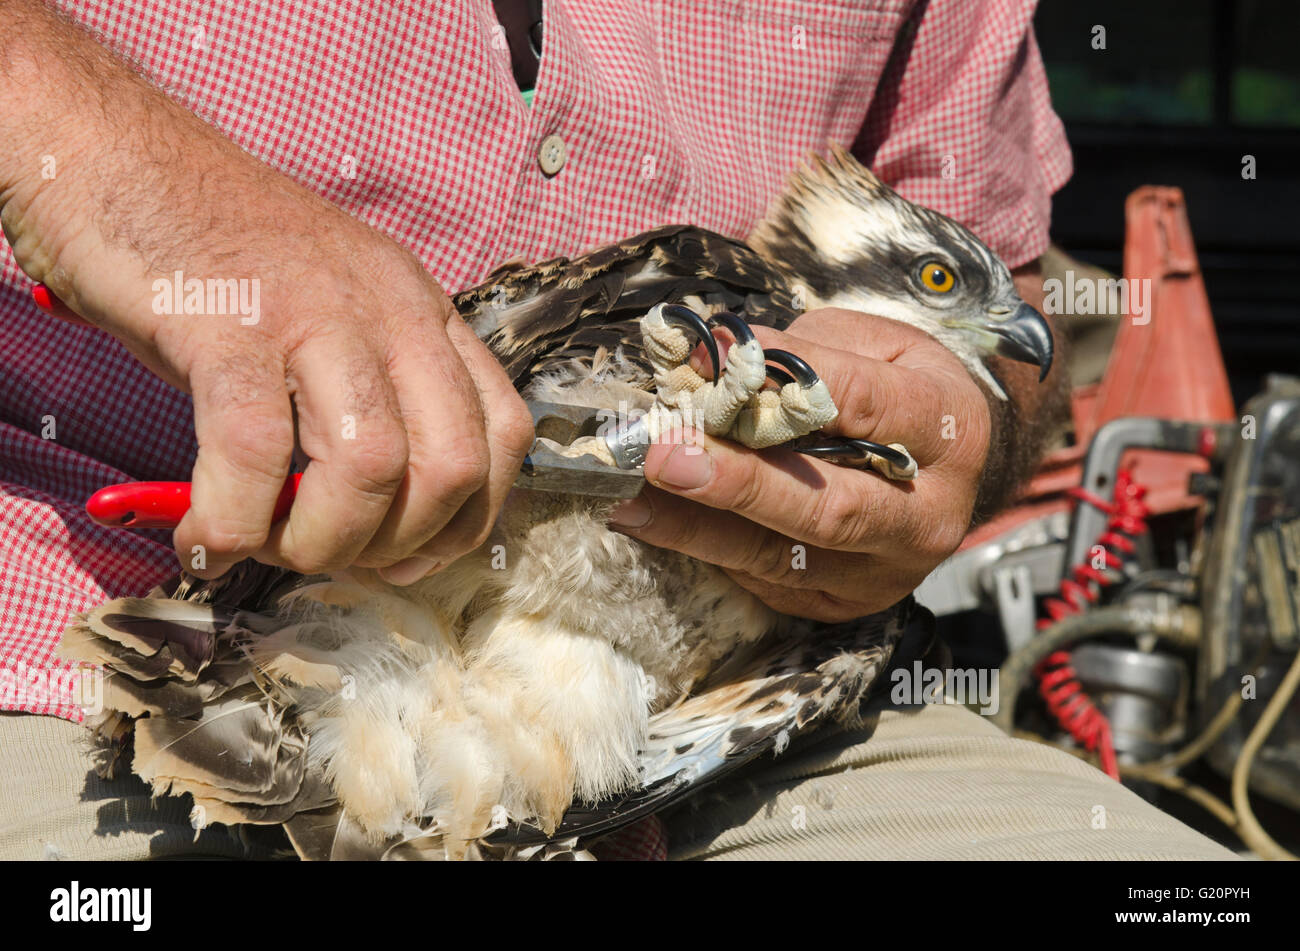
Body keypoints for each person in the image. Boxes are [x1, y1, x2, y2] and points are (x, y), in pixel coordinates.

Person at [0, 0, 1233, 860]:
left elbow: (1001, 317)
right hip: (75, 660)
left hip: (716, 733)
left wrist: (949, 430)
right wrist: (108, 165)